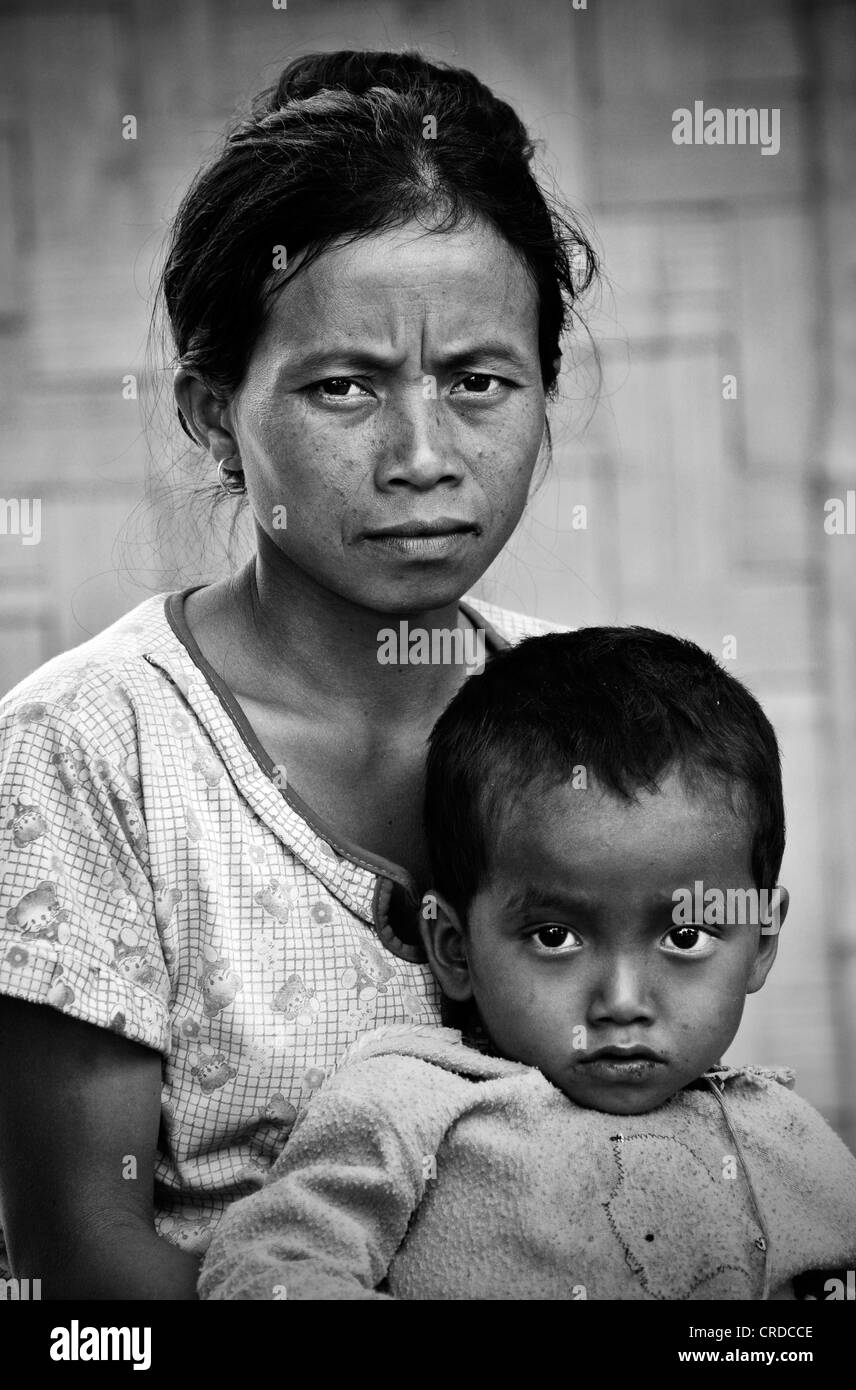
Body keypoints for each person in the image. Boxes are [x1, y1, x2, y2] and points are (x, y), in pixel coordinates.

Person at [0, 50, 592, 1298]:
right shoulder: (92, 747)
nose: (423, 455)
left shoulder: (597, 714)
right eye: (342, 388)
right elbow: (81, 1275)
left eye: (480, 382)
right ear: (214, 412)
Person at [197, 627, 856, 1301]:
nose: (622, 1001)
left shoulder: (786, 1136)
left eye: (685, 936)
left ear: (760, 940)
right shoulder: (411, 1107)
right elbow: (266, 1271)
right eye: (553, 937)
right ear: (454, 950)